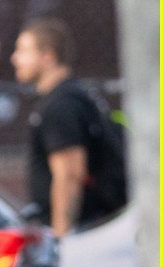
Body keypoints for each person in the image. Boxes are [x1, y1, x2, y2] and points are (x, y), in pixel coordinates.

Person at [10, 17, 127, 236]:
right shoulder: (72, 95)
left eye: (23, 51)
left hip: (85, 232)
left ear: (48, 56)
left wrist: (61, 240)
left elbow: (69, 174)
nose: (15, 58)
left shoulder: (60, 106)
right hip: (95, 226)